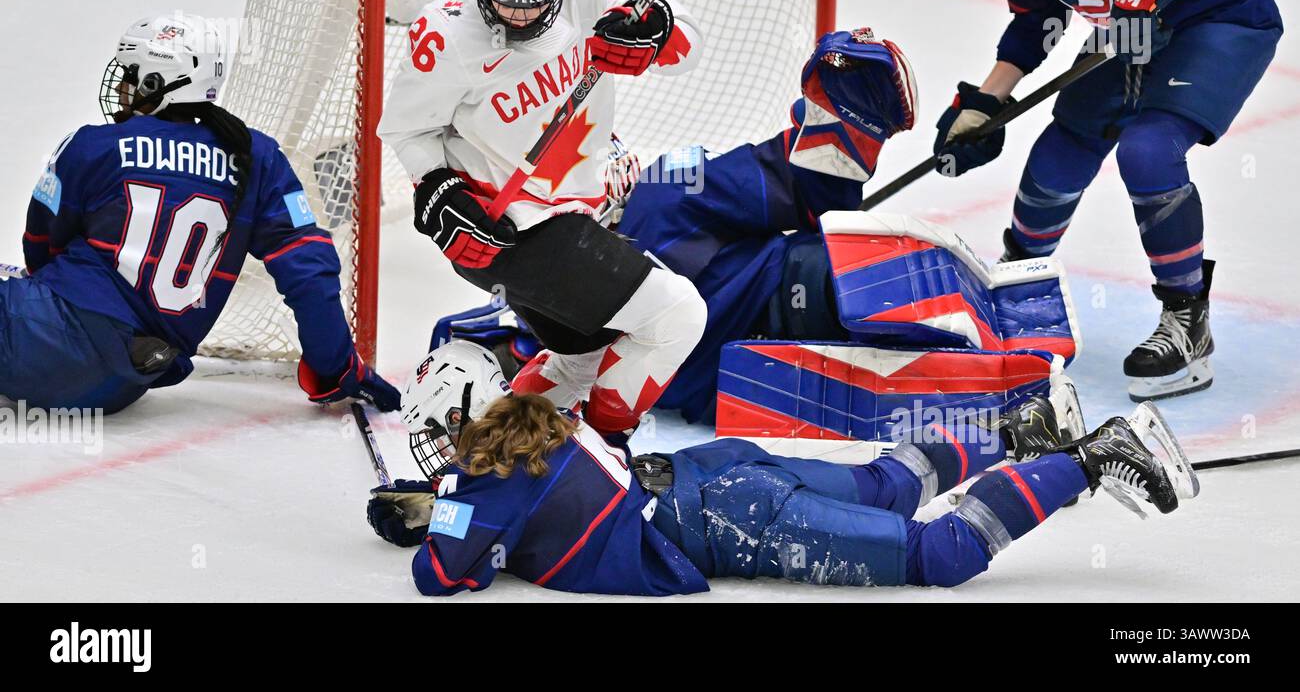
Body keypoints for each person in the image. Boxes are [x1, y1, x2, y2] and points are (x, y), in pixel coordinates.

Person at [935, 0, 1283, 402]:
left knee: (1148, 150)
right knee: (1059, 153)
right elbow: (1036, 20)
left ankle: (1187, 320)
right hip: (1134, 28)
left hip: (1218, 19)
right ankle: (1020, 293)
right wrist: (986, 101)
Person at [366, 341, 1197, 596]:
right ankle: (1021, 430)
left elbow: (441, 578)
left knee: (936, 555)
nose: (436, 447)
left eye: (438, 430)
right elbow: (517, 510)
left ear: (464, 416)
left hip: (729, 520)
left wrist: (442, 509)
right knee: (889, 482)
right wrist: (449, 500)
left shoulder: (484, 485)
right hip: (712, 473)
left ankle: (1094, 457)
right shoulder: (541, 422)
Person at [377, 0, 707, 438]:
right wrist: (439, 192)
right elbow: (405, 131)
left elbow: (688, 44)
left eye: (534, 2)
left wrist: (656, 33)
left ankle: (489, 454)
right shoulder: (447, 32)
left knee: (582, 360)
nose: (518, 15)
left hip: (569, 218)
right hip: (503, 232)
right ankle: (603, 451)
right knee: (678, 315)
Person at [0, 13, 399, 414]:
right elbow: (309, 271)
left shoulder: (94, 146)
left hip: (40, 339)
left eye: (130, 75)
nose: (120, 87)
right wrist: (337, 367)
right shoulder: (257, 158)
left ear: (154, 84)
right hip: (119, 387)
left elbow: (41, 248)